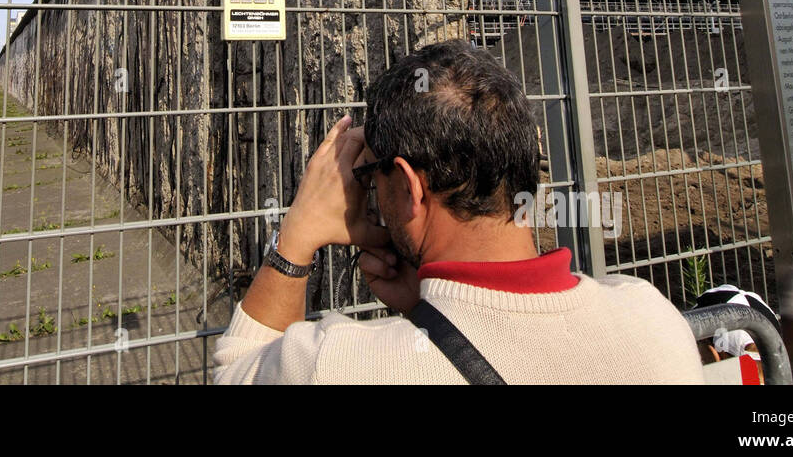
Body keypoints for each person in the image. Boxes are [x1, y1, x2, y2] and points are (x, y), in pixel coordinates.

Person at [214, 39, 705, 384]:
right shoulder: (654, 316)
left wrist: (296, 236)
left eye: (373, 178)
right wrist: (433, 315)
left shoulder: (341, 366)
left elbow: (237, 370)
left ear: (408, 186)